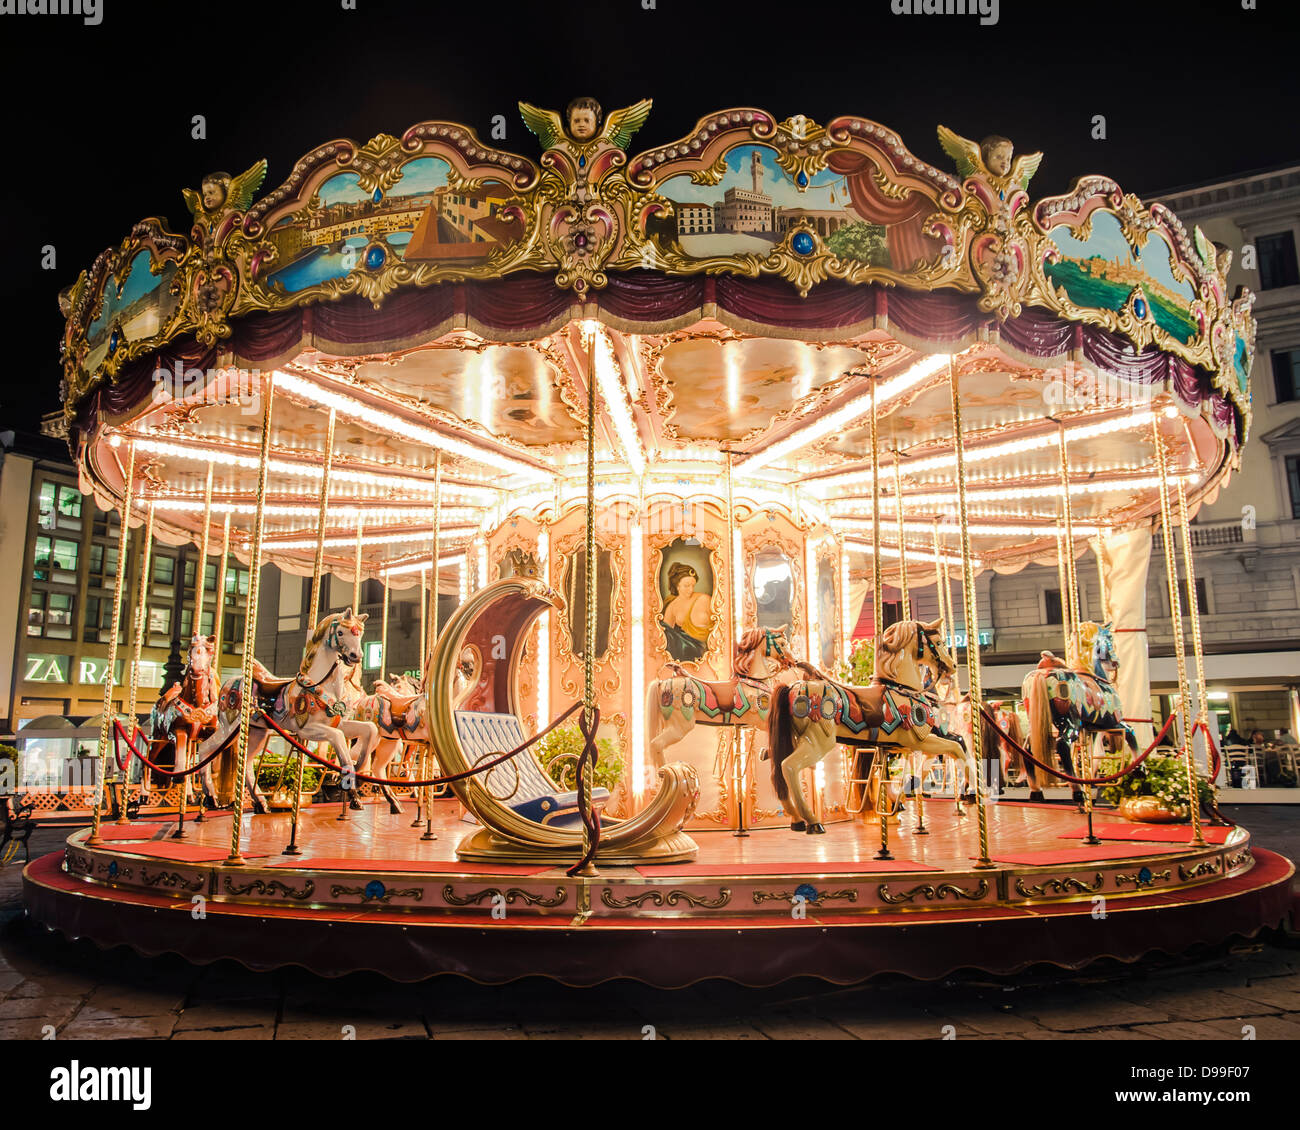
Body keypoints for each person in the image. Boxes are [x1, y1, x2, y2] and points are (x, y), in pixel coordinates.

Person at [660, 562, 712, 662]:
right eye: (686, 586)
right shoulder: (672, 605)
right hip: (687, 649)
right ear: (677, 586)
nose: (691, 589)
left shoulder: (704, 599)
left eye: (693, 585)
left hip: (708, 649)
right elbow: (667, 635)